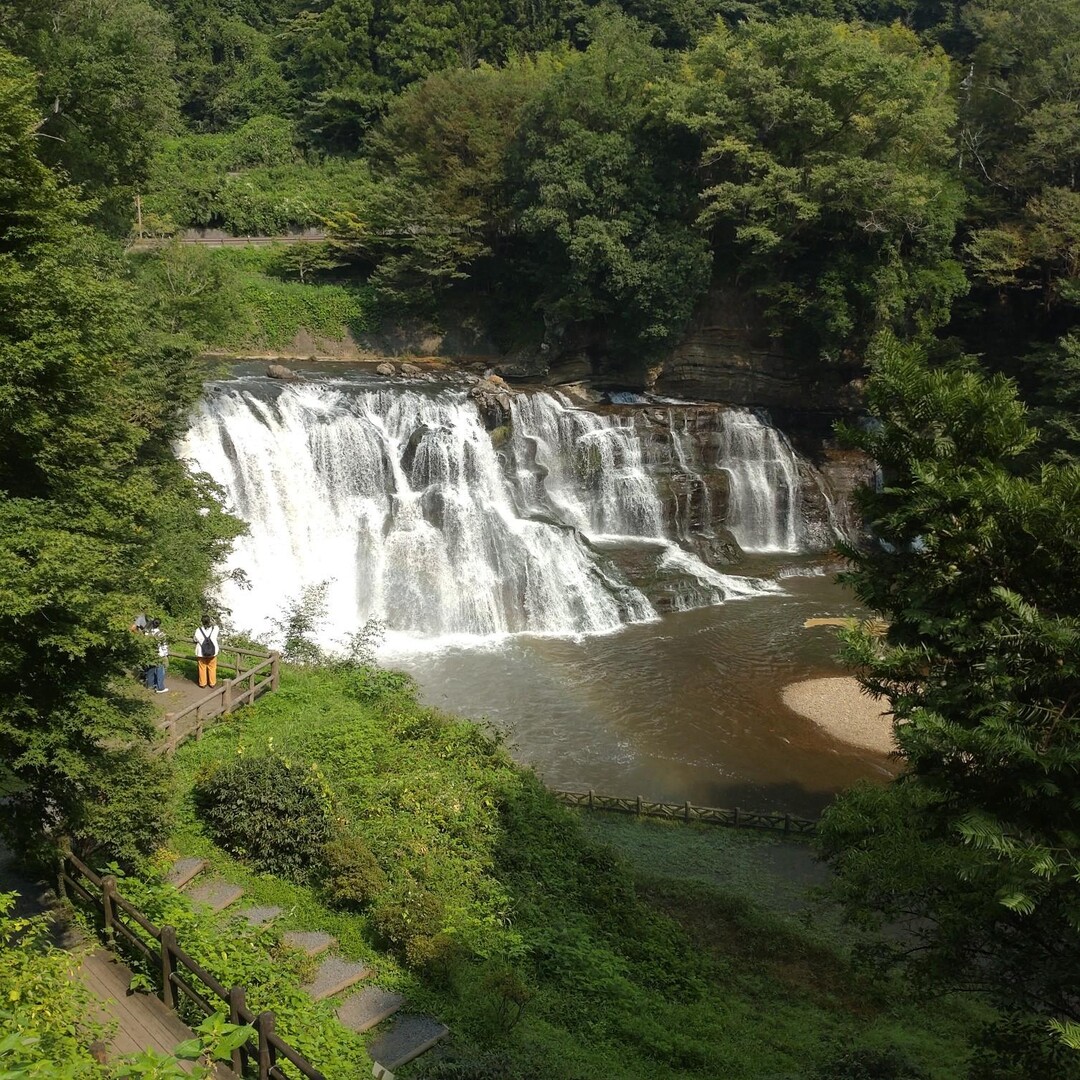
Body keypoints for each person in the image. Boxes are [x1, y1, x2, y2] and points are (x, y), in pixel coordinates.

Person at [193, 615, 220, 688]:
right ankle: (212, 683)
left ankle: (202, 683)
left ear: (202, 622)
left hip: (201, 652)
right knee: (212, 668)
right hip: (212, 652)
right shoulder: (215, 629)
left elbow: (195, 639)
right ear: (209, 621)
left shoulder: (198, 630)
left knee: (202, 668)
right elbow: (216, 625)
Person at [146, 618, 168, 694]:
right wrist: (166, 654)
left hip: (150, 653)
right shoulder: (161, 634)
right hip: (159, 654)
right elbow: (164, 645)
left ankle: (150, 685)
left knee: (150, 670)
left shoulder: (147, 632)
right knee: (160, 671)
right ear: (159, 624)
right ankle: (160, 687)